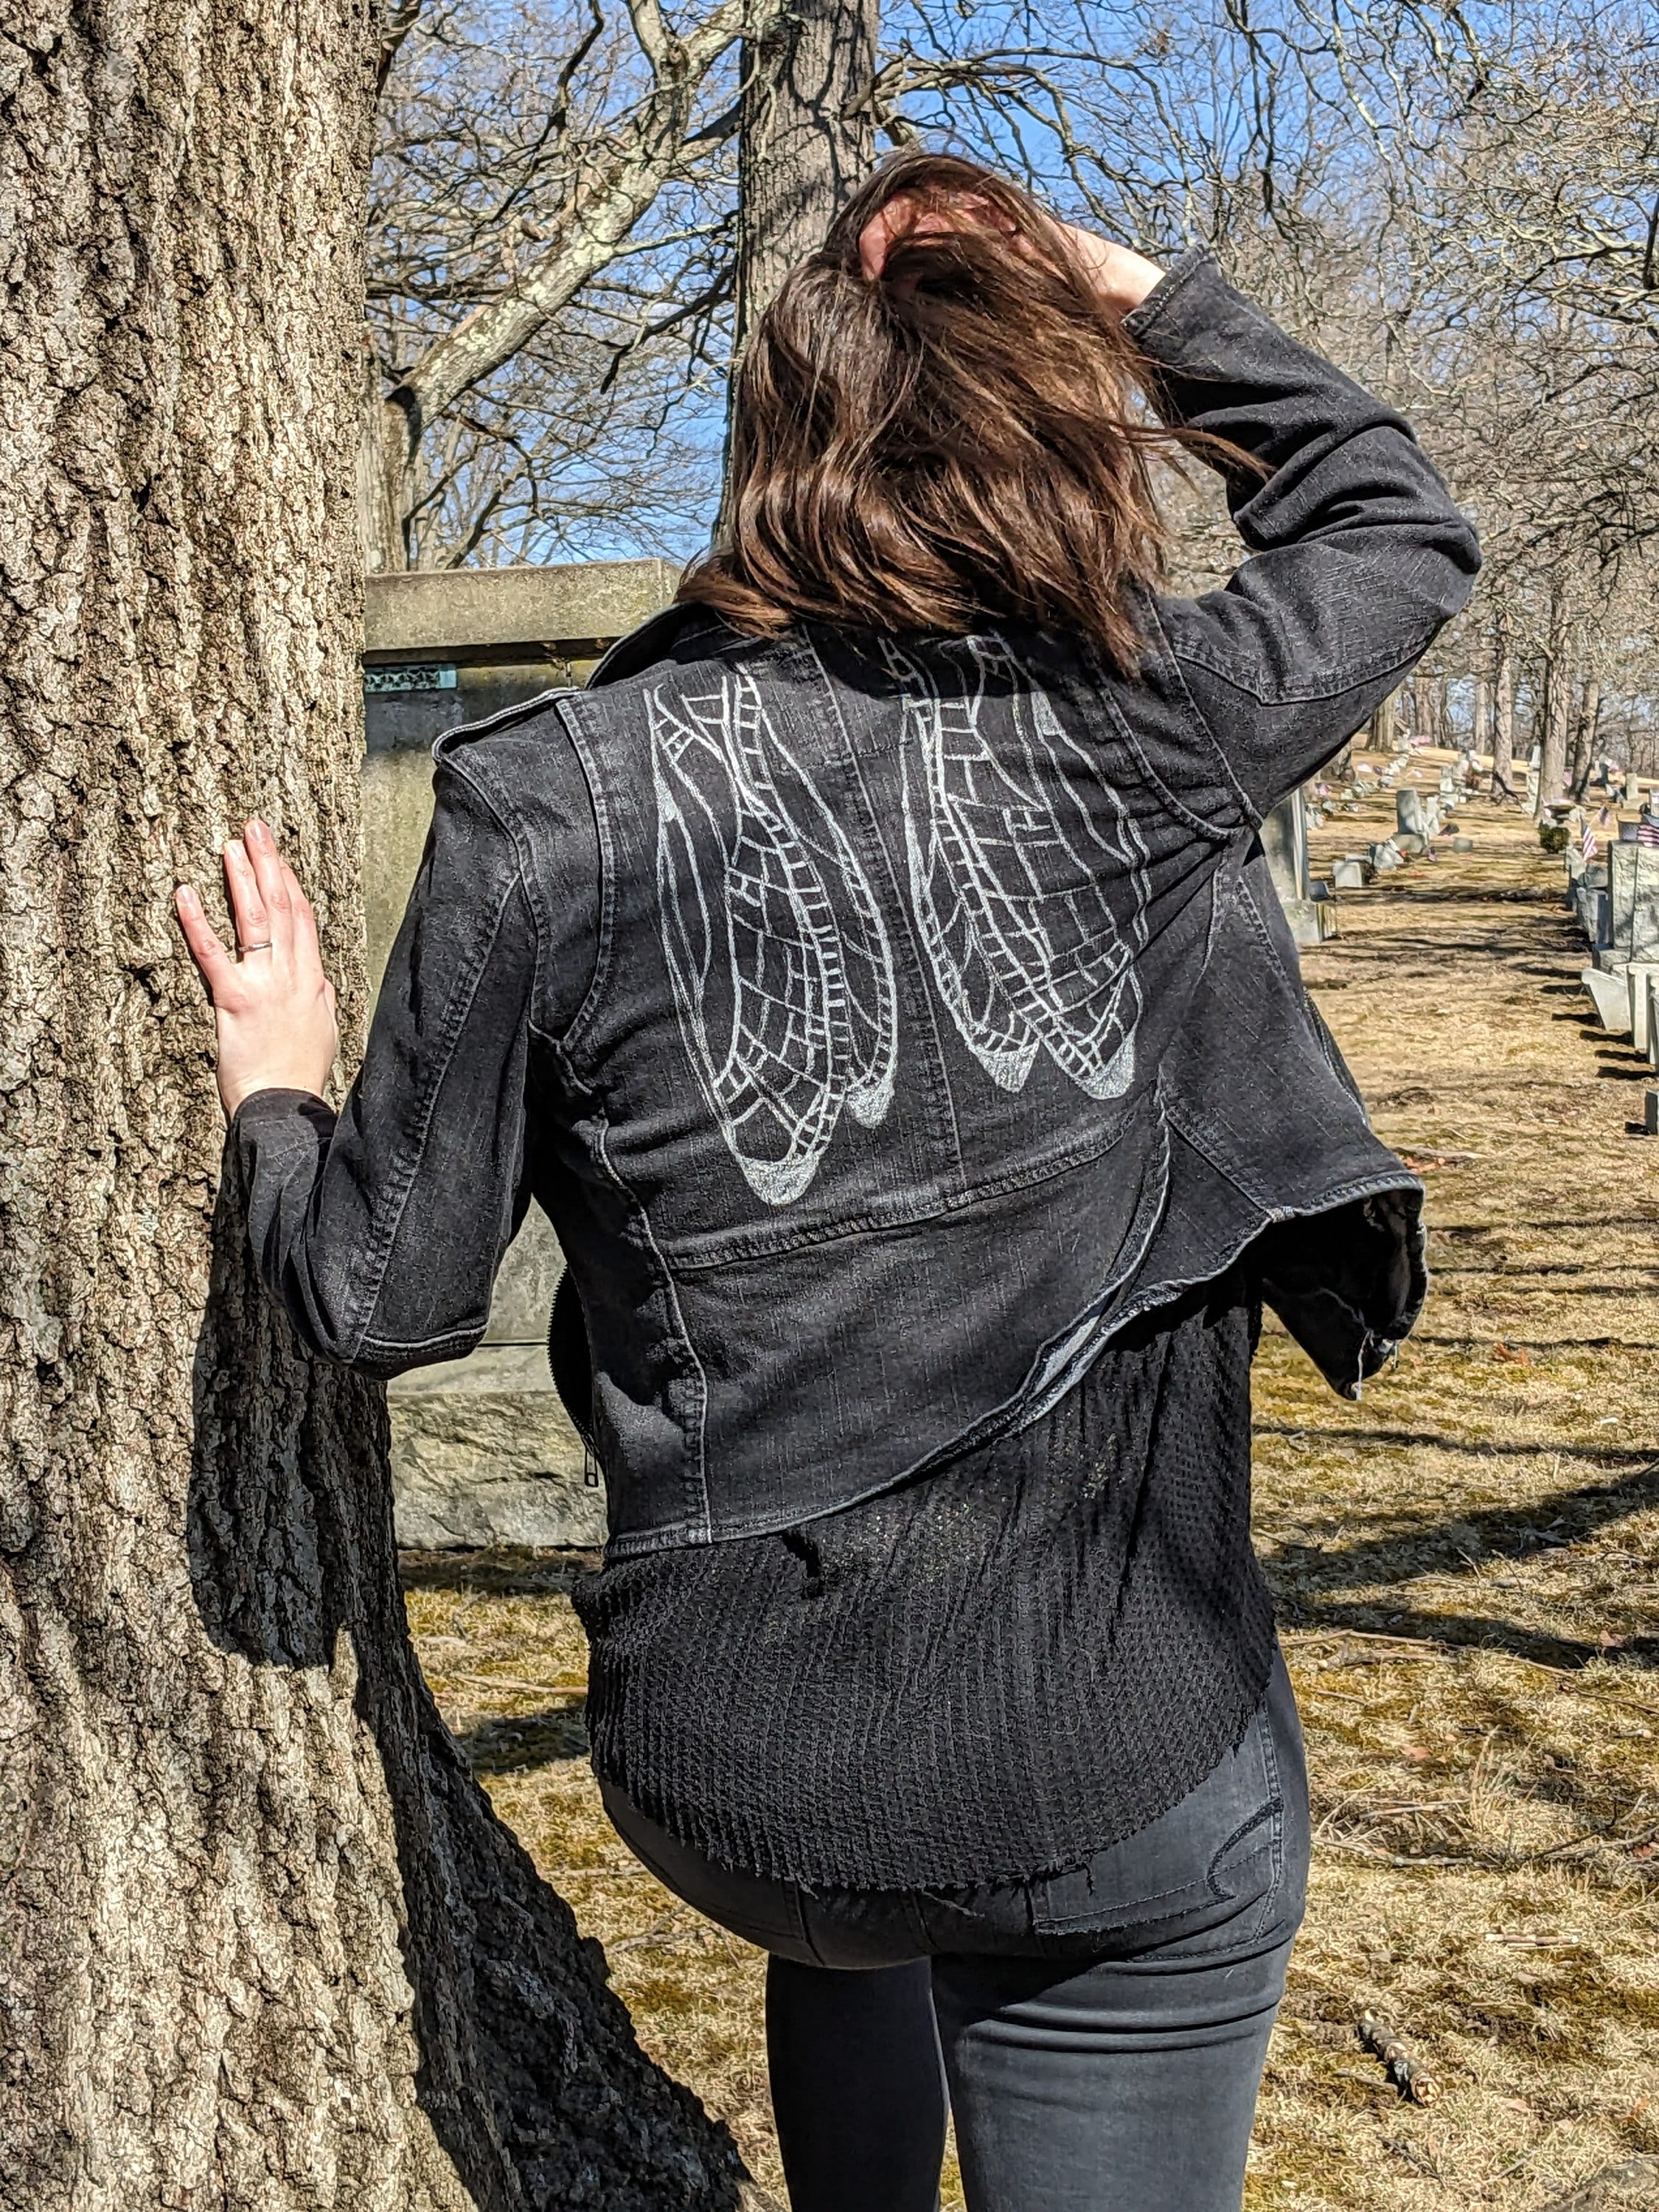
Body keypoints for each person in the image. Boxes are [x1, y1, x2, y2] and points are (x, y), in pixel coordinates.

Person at [176, 151, 1478, 2212]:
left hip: (740, 1781)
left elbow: (378, 1297)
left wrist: (273, 1096)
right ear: (1066, 439)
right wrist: (1120, 285)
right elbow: (1387, 516)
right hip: (1110, 1762)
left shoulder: (541, 799)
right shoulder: (1146, 721)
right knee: (1089, 1871)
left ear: (772, 441)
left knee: (858, 1902)